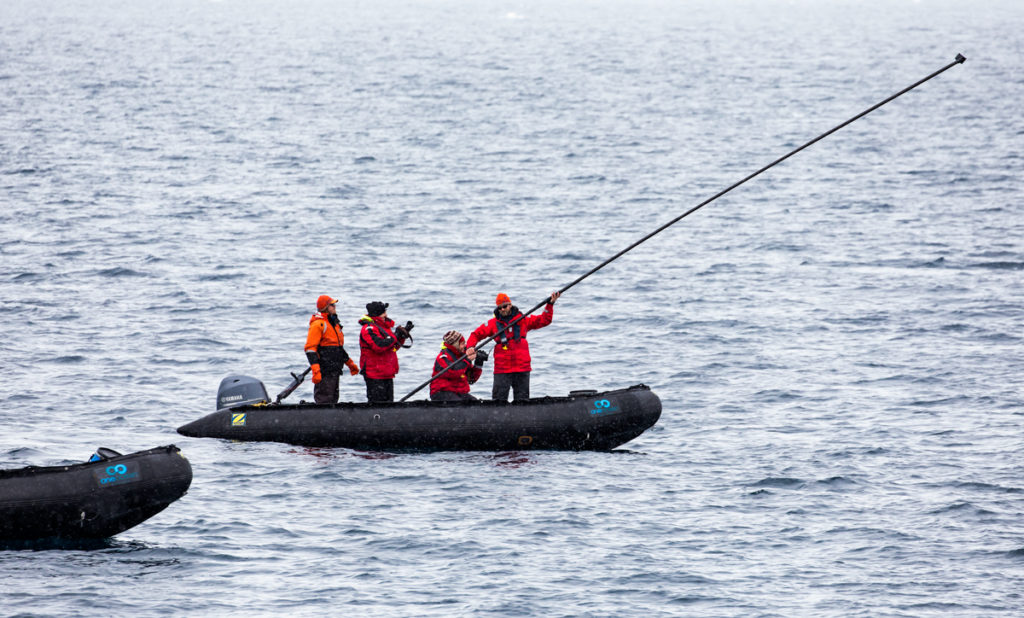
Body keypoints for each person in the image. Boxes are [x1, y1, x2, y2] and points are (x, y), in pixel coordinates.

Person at [467, 291, 560, 402]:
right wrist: (470, 347)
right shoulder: (492, 324)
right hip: (502, 370)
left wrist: (550, 304)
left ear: (510, 305)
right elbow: (475, 335)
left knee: (523, 402)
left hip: (522, 368)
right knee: (498, 402)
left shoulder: (523, 320)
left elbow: (544, 320)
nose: (502, 309)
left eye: (505, 306)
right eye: (500, 307)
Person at [305, 295, 360, 404]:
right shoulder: (318, 324)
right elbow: (310, 348)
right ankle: (322, 419)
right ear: (325, 307)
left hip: (335, 367)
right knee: (324, 399)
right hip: (324, 369)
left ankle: (330, 418)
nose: (334, 307)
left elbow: (338, 348)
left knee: (333, 398)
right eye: (332, 305)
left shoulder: (334, 324)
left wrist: (350, 363)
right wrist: (316, 370)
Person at [358, 301, 413, 402]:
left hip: (386, 372)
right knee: (377, 405)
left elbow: (392, 348)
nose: (386, 315)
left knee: (388, 404)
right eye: (383, 313)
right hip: (374, 374)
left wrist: (401, 337)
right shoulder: (368, 329)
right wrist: (395, 336)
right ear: (377, 314)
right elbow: (379, 346)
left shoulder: (383, 328)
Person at [430, 330, 489, 401]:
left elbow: (471, 379)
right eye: (462, 344)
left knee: (476, 403)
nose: (465, 346)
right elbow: (453, 372)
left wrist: (479, 363)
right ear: (455, 345)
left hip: (458, 392)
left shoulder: (462, 356)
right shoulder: (443, 357)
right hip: (441, 392)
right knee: (460, 405)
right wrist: (468, 360)